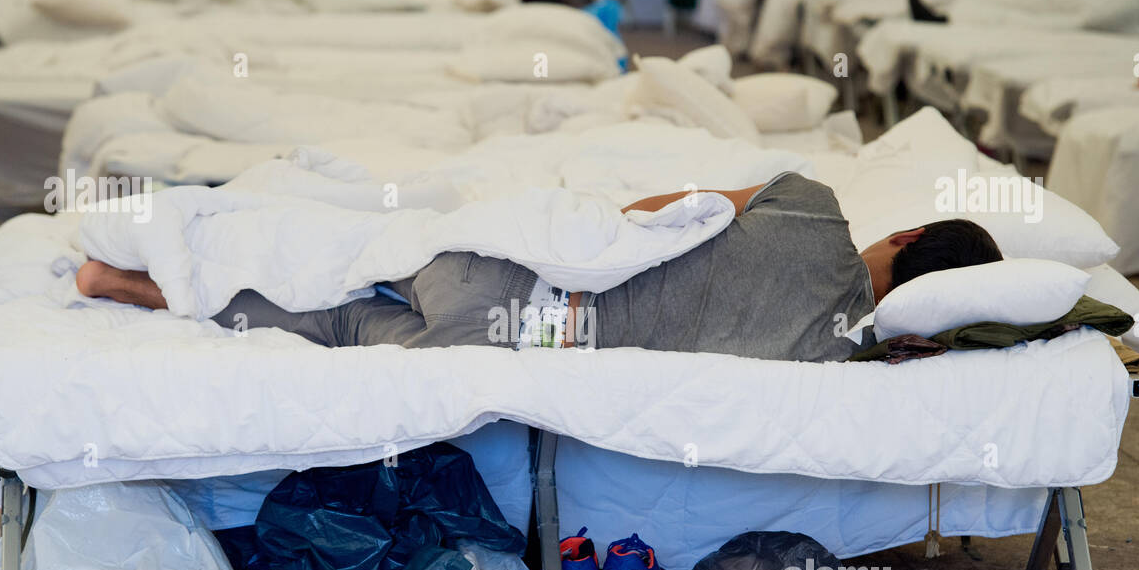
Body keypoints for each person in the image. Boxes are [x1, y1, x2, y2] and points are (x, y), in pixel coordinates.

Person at [75, 172, 1003, 363]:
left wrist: (586, 220)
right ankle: (133, 289)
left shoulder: (815, 205)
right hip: (504, 347)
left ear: (905, 243)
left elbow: (664, 213)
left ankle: (163, 241)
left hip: (509, 272)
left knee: (340, 252)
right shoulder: (839, 358)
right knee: (340, 325)